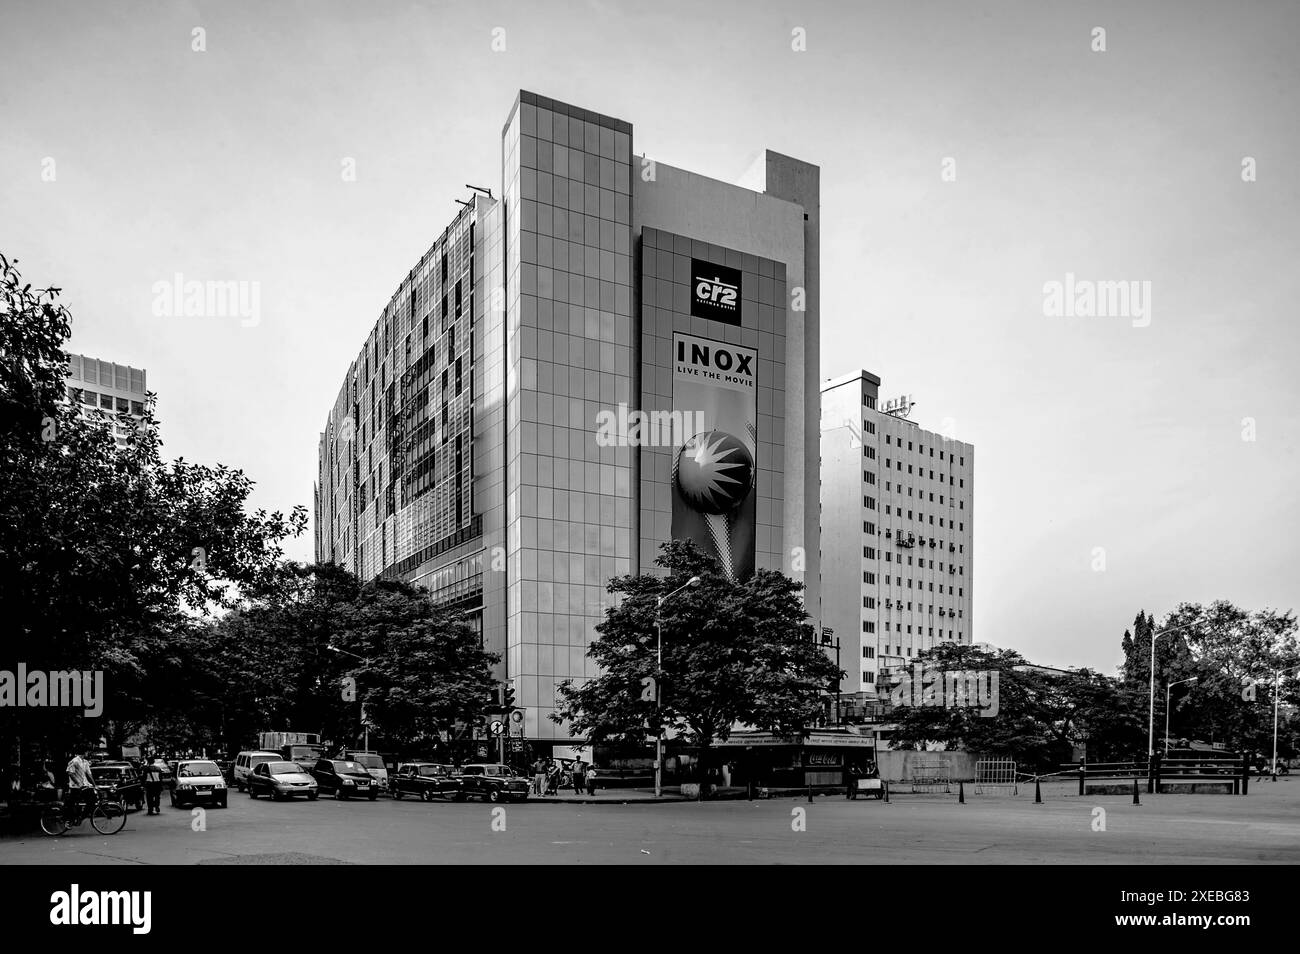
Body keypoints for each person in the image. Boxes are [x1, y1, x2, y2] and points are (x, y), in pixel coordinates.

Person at [64, 750, 96, 819]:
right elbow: (70, 773)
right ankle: (69, 819)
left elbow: (89, 775)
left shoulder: (85, 762)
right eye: (87, 752)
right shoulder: (74, 761)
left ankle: (81, 817)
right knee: (72, 803)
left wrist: (94, 785)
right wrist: (78, 783)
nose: (88, 753)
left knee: (92, 800)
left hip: (85, 785)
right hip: (75, 786)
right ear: (84, 752)